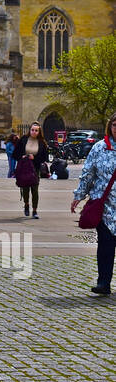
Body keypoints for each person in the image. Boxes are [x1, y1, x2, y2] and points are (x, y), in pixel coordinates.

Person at [72, 113, 116, 295]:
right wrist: (79, 195)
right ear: (110, 126)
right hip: (104, 206)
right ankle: (103, 282)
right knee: (105, 246)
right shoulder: (99, 148)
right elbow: (88, 173)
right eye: (115, 124)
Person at [13, 121, 49, 219]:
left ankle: (35, 210)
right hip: (24, 167)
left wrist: (35, 158)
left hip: (35, 168)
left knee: (35, 189)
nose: (34, 132)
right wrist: (23, 156)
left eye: (36, 130)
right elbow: (15, 154)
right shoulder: (24, 139)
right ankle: (26, 204)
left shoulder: (42, 142)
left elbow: (44, 158)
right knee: (25, 188)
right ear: (30, 130)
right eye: (32, 130)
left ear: (39, 132)